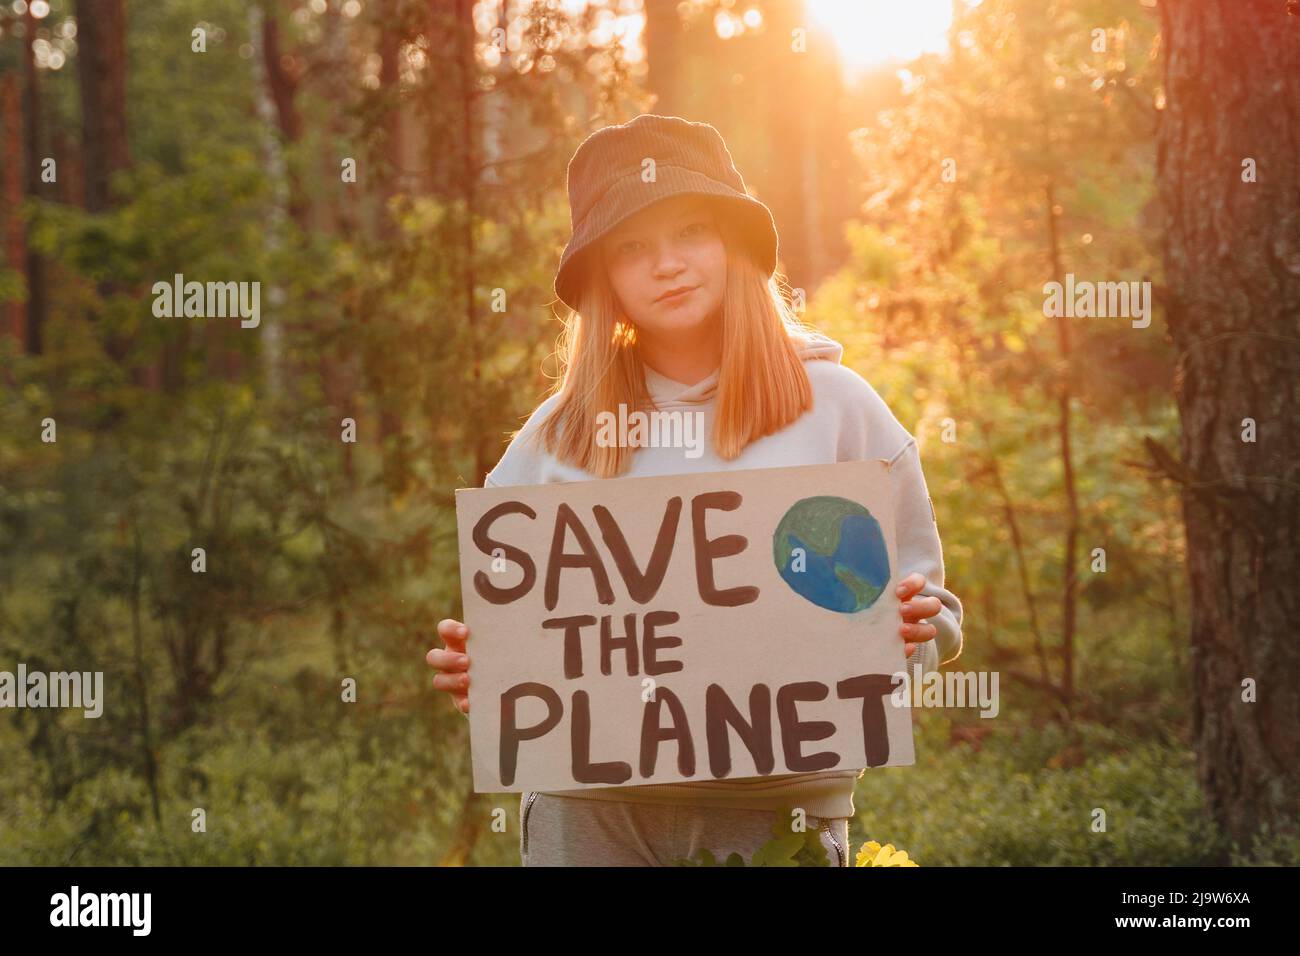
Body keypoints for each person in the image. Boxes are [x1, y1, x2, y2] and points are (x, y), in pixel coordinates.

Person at [426, 113, 963, 867]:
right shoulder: (550, 440)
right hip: (590, 819)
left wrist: (913, 628)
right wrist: (484, 669)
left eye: (692, 232)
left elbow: (929, 610)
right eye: (632, 247)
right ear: (602, 275)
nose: (666, 265)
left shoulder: (840, 408)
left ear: (735, 244)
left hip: (779, 813)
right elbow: (520, 639)